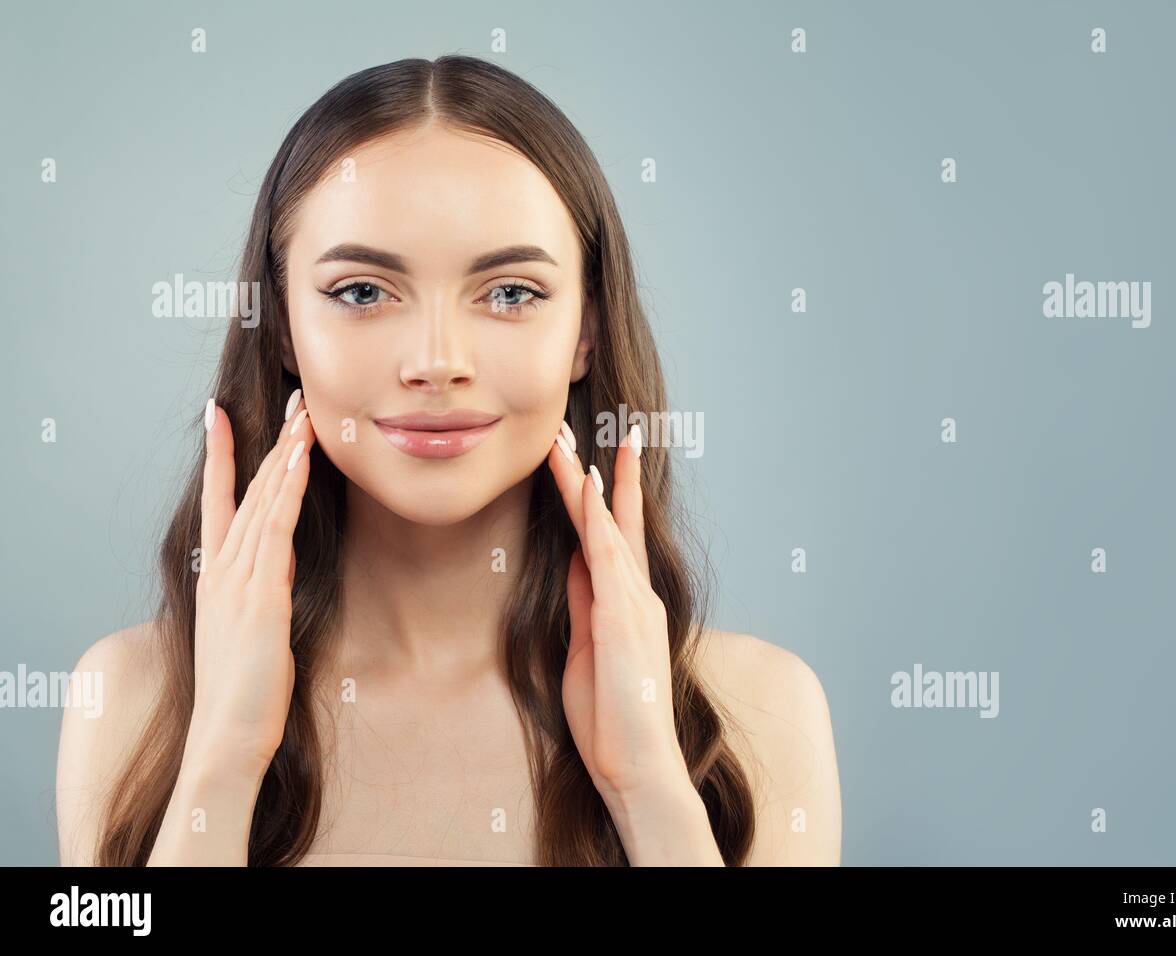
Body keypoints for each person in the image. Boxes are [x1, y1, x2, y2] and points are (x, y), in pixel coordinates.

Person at [56, 55, 840, 866]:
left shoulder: (763, 712)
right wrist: (219, 763)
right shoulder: (128, 699)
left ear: (586, 330)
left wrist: (650, 791)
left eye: (510, 293)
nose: (437, 362)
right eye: (363, 292)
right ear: (283, 326)